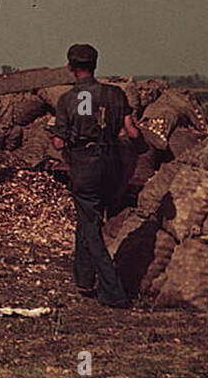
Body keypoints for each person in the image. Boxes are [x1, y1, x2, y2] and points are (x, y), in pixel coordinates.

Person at [50, 44, 143, 309]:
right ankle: (83, 279)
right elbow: (132, 133)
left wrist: (59, 136)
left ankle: (113, 292)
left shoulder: (67, 100)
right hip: (112, 165)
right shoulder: (115, 93)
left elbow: (58, 143)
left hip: (85, 166)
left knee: (91, 226)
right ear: (95, 65)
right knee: (88, 217)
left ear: (70, 67)